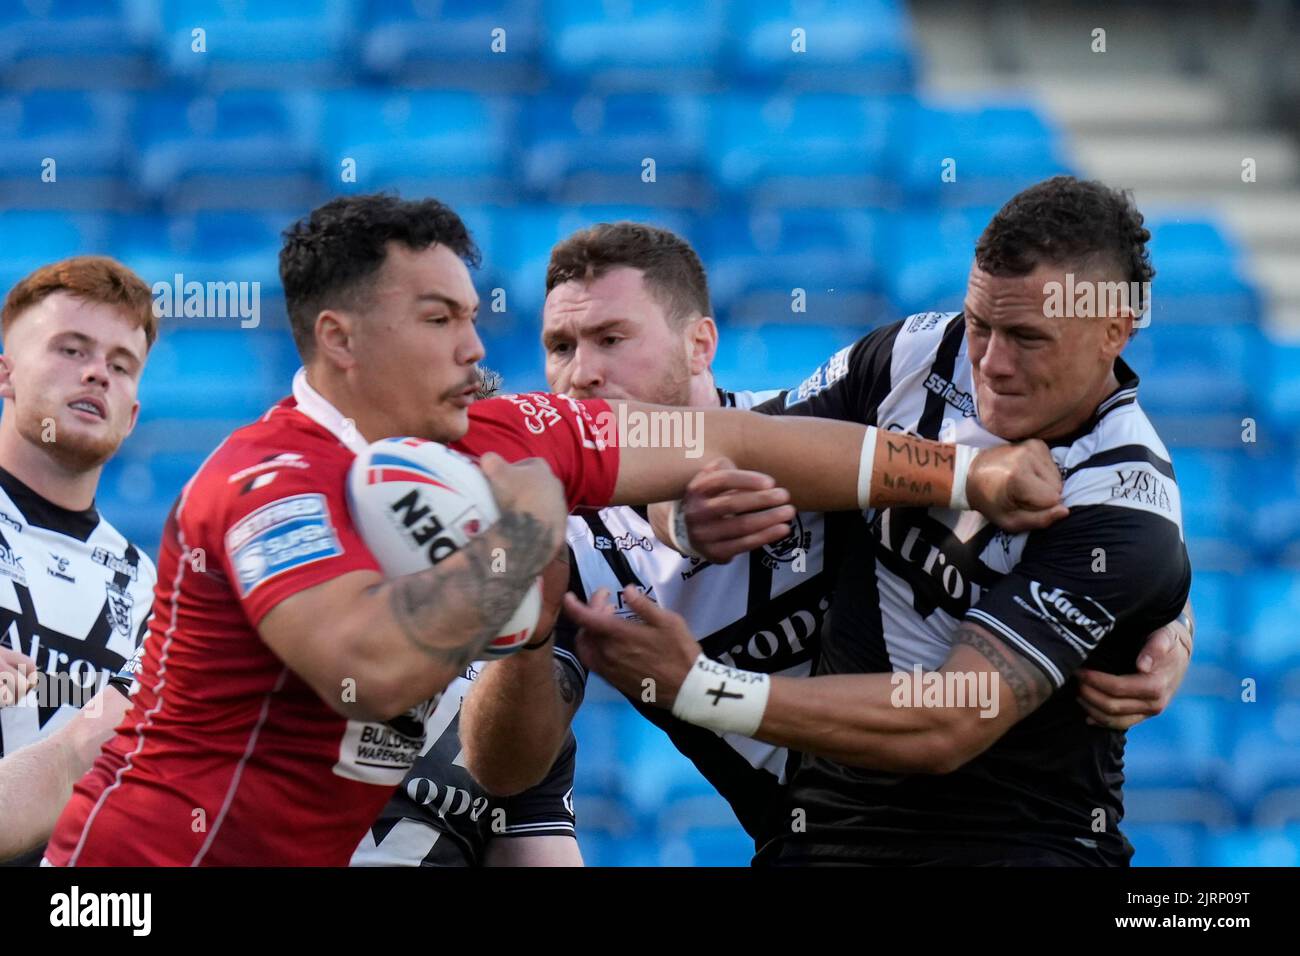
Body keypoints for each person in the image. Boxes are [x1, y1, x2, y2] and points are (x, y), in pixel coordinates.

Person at [43, 193, 1061, 866]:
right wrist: (520, 542)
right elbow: (373, 668)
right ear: (340, 340)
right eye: (438, 318)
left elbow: (730, 435)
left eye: (474, 315)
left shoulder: (493, 430)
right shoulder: (266, 481)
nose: (476, 344)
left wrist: (975, 470)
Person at [461, 218, 1193, 860]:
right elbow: (503, 770)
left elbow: (1101, 517)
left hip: (1015, 829)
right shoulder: (569, 545)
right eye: (559, 346)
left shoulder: (818, 445)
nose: (581, 373)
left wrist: (1164, 617)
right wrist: (526, 628)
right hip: (816, 837)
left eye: (610, 339)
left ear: (699, 342)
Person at [0, 257, 159, 866]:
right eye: (72, 350)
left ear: (133, 416)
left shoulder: (152, 592)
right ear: (6, 375)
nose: (98, 373)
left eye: (122, 366)